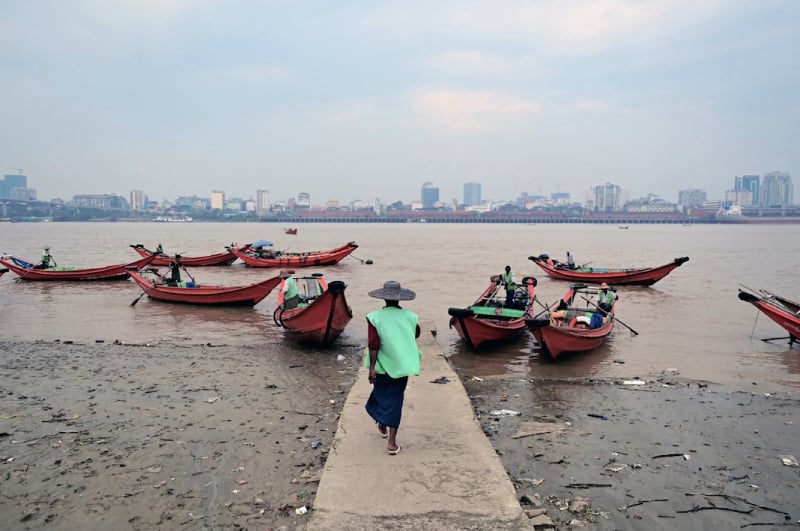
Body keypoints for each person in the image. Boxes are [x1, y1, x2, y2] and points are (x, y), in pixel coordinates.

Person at [365, 280, 421, 456]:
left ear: (383, 299)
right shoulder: (411, 316)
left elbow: (373, 344)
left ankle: (383, 424)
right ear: (400, 299)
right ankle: (391, 442)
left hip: (382, 365)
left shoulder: (374, 316)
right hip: (401, 365)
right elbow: (416, 333)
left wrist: (372, 368)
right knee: (395, 398)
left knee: (381, 393)